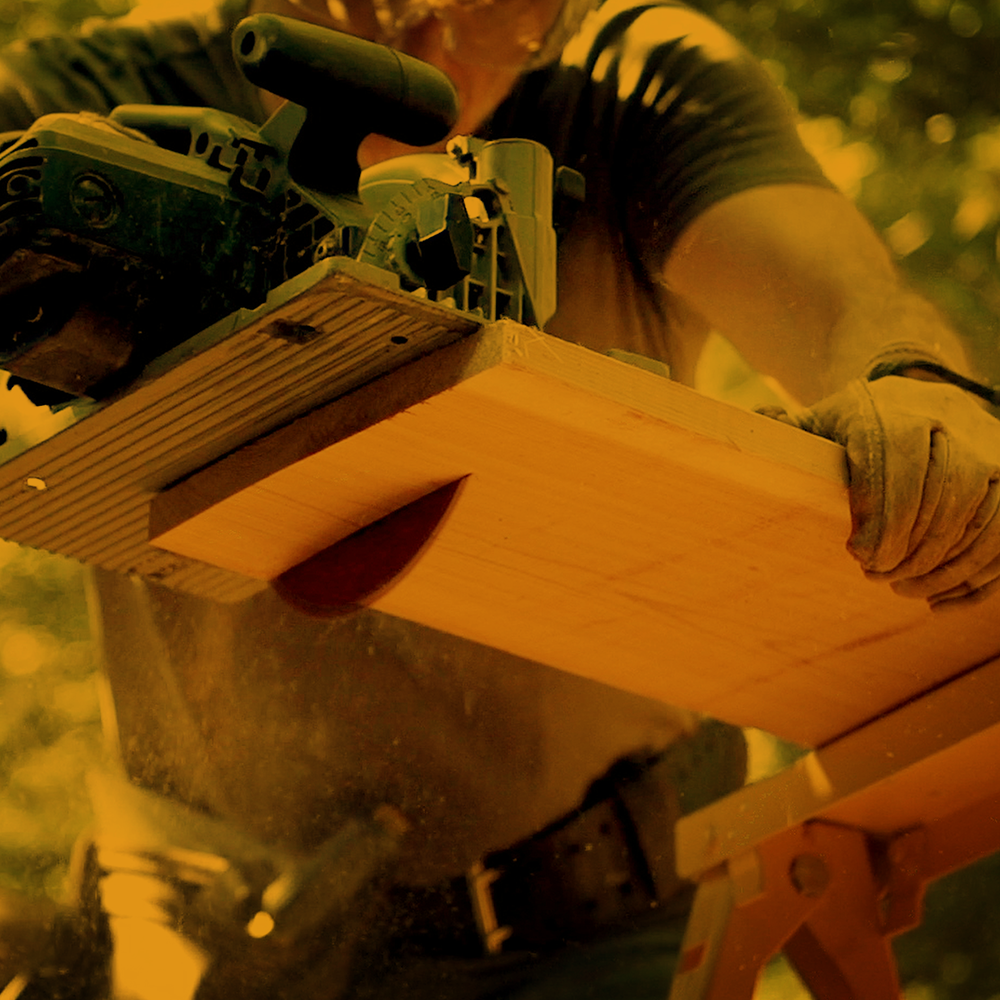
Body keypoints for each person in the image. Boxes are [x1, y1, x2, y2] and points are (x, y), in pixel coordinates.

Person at [0, 0, 997, 997]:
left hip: (588, 917)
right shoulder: (117, 90)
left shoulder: (629, 89)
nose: (432, 60)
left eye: (493, 21)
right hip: (213, 942)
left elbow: (835, 296)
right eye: (384, 8)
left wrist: (904, 381)